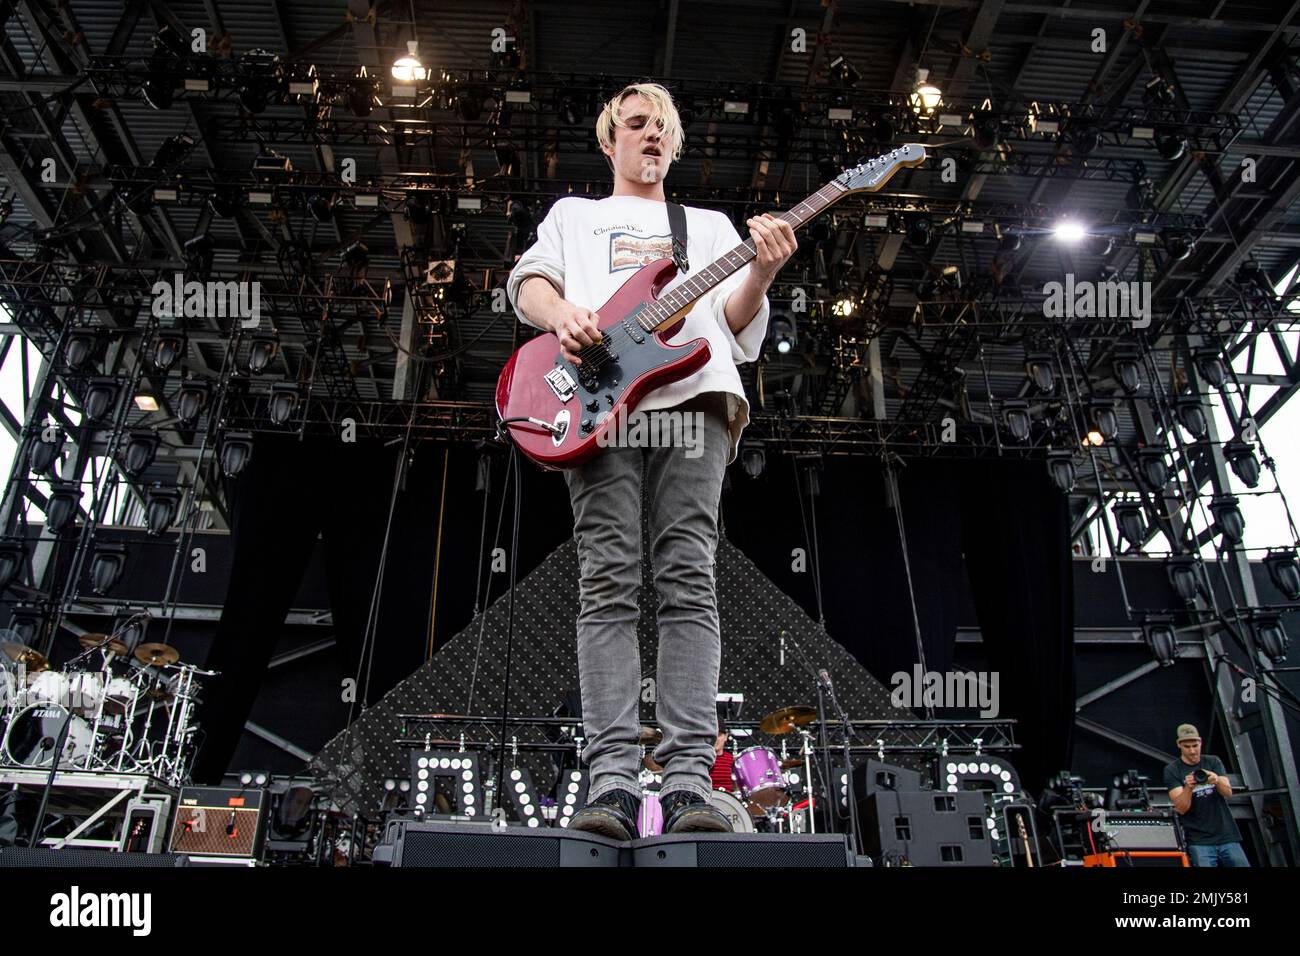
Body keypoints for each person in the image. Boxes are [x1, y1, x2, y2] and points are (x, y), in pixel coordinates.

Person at [506, 82, 795, 839]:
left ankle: (691, 784)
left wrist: (761, 271)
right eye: (637, 124)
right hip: (598, 406)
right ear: (609, 141)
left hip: (694, 399)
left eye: (663, 126)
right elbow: (529, 282)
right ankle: (609, 784)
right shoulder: (577, 215)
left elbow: (731, 325)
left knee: (687, 576)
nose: (652, 135)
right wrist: (562, 312)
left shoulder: (705, 225)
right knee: (608, 579)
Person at [1162, 723, 1250, 867]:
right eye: (1187, 746)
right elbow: (1181, 808)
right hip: (1198, 840)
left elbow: (1228, 792)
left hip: (1226, 835)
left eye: (1195, 745)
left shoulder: (1213, 761)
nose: (1192, 751)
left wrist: (1216, 780)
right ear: (1179, 745)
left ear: (1200, 742)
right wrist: (1188, 787)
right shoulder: (1172, 770)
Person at [710, 726, 735, 794]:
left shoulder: (732, 760)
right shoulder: (702, 759)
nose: (716, 739)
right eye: (713, 735)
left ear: (726, 736)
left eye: (719, 735)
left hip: (728, 802)